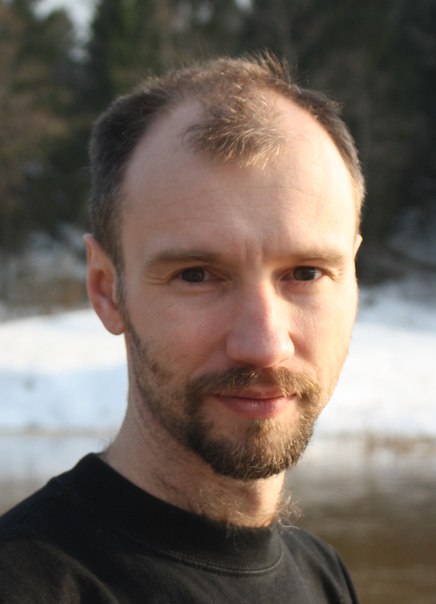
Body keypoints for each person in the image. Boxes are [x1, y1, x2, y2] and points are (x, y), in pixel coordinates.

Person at [0, 53, 364, 602]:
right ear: (107, 288)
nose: (263, 344)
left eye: (306, 273)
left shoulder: (323, 575)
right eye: (196, 275)